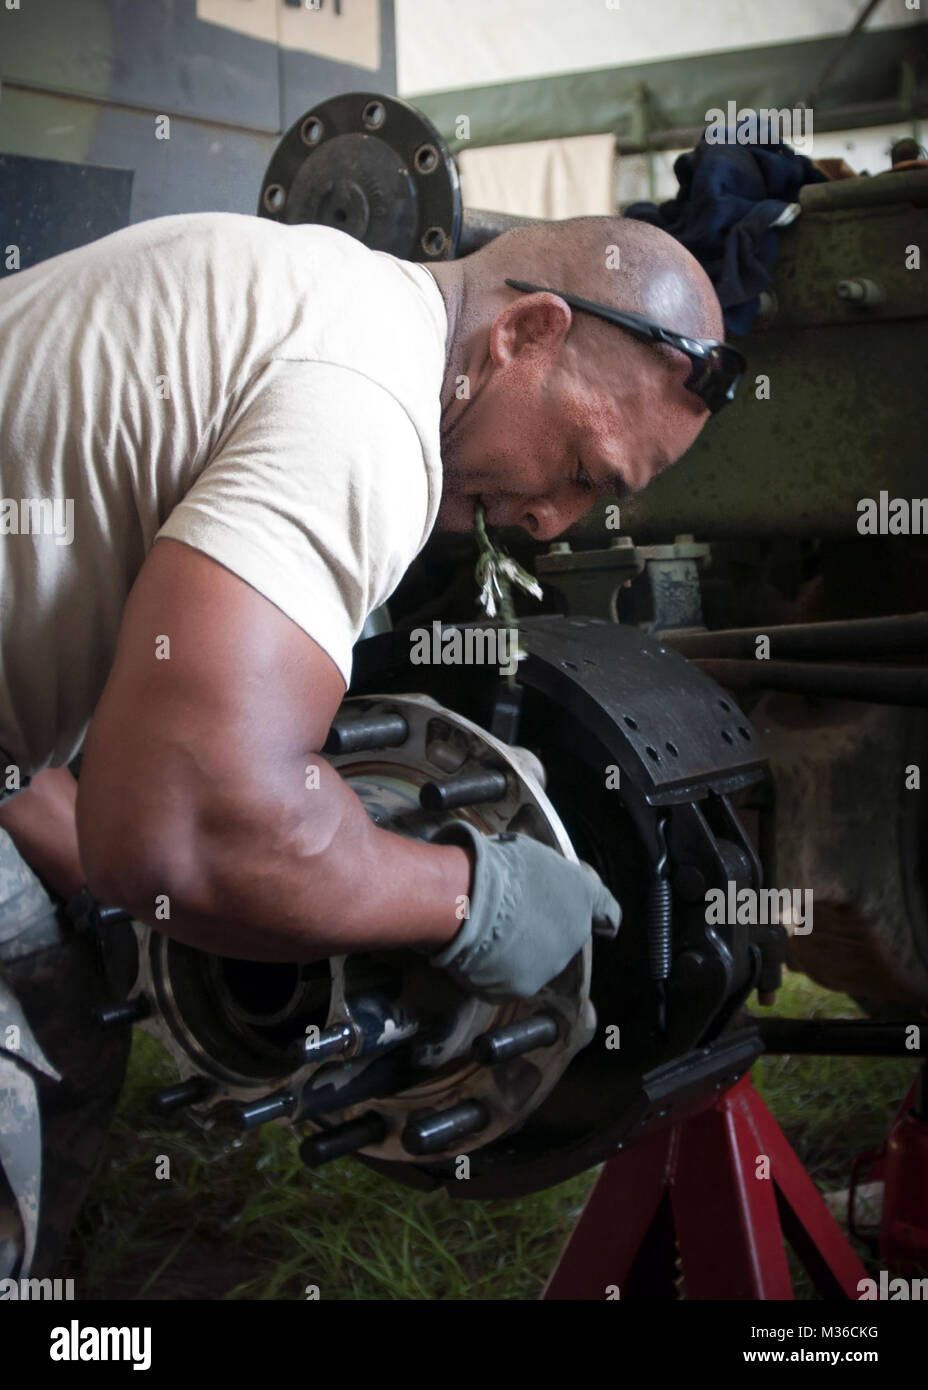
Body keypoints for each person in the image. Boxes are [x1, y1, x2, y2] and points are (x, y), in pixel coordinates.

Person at [0, 211, 723, 1273]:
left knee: (61, 992)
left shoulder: (317, 297)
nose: (552, 522)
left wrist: (195, 876)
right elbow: (190, 833)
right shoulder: (366, 407)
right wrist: (475, 899)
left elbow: (93, 785)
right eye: (578, 465)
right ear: (526, 331)